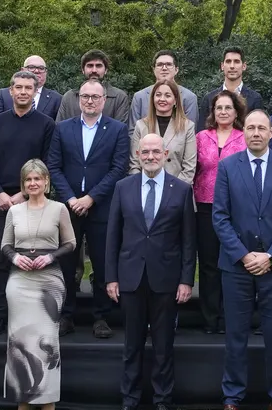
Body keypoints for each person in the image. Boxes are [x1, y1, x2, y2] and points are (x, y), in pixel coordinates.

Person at [213, 109, 272, 410]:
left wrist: (271, 256)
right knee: (235, 337)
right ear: (244, 131)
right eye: (250, 127)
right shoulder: (227, 167)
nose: (255, 133)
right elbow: (220, 217)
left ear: (271, 133)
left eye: (261, 128)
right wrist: (243, 255)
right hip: (236, 266)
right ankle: (232, 397)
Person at [107, 133, 196, 410]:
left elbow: (188, 241)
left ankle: (162, 400)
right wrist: (111, 277)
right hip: (131, 278)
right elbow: (113, 235)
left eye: (155, 152)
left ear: (166, 153)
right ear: (138, 153)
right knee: (131, 346)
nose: (150, 157)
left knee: (163, 346)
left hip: (166, 280)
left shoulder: (181, 190)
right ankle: (130, 399)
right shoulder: (123, 187)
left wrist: (186, 280)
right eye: (145, 152)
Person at [46, 79, 130, 337]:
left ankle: (101, 317)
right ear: (78, 99)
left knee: (103, 265)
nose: (90, 101)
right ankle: (66, 315)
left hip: (102, 207)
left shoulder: (116, 130)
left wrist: (91, 198)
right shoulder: (62, 128)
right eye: (85, 96)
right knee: (67, 266)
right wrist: (71, 198)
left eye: (95, 96)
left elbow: (119, 168)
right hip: (68, 209)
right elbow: (54, 166)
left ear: (104, 100)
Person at [0, 70, 57, 336]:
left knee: (32, 256)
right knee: (1, 259)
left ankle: (30, 315)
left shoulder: (46, 124)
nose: (23, 92)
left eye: (28, 88)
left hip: (34, 199)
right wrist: (0, 193)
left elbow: (48, 162)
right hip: (0, 200)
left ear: (35, 92)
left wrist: (24, 194)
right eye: (18, 87)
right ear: (10, 91)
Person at [1, 159, 74, 409]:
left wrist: (50, 256)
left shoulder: (59, 209)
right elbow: (5, 245)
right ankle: (24, 400)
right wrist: (16, 257)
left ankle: (46, 401)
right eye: (28, 180)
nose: (33, 183)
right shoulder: (14, 211)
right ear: (23, 184)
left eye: (37, 179)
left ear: (46, 182)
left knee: (46, 343)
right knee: (20, 344)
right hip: (20, 283)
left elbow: (71, 243)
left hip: (49, 282)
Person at [193, 89, 249, 334]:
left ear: (236, 112)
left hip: (235, 209)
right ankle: (209, 319)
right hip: (204, 207)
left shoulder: (244, 137)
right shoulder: (200, 137)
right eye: (219, 108)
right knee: (207, 265)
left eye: (228, 107)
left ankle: (230, 318)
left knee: (233, 262)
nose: (223, 112)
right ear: (212, 113)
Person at [129, 79, 199, 182]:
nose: (162, 99)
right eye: (158, 95)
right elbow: (134, 164)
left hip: (177, 190)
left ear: (175, 100)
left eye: (167, 95)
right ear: (152, 99)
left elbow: (189, 168)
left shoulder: (187, 127)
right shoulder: (141, 126)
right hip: (146, 189)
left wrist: (172, 190)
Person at [196, 46, 267, 127]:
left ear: (244, 66)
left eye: (236, 61)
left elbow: (258, 129)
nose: (232, 66)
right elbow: (201, 132)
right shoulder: (209, 98)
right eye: (228, 61)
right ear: (222, 66)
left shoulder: (255, 99)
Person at [56, 50, 131, 122]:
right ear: (83, 70)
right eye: (90, 66)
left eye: (98, 66)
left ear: (106, 70)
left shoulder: (119, 97)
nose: (94, 70)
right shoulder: (69, 97)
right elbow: (60, 129)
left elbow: (120, 132)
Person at [131, 51, 200, 125]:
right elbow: (133, 130)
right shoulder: (139, 97)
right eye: (160, 65)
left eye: (169, 64)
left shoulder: (189, 97)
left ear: (176, 70)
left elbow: (191, 130)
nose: (164, 68)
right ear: (153, 69)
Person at [0, 56, 64, 121]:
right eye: (31, 67)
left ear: (46, 72)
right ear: (22, 70)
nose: (37, 71)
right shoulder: (4, 94)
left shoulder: (56, 98)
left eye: (41, 68)